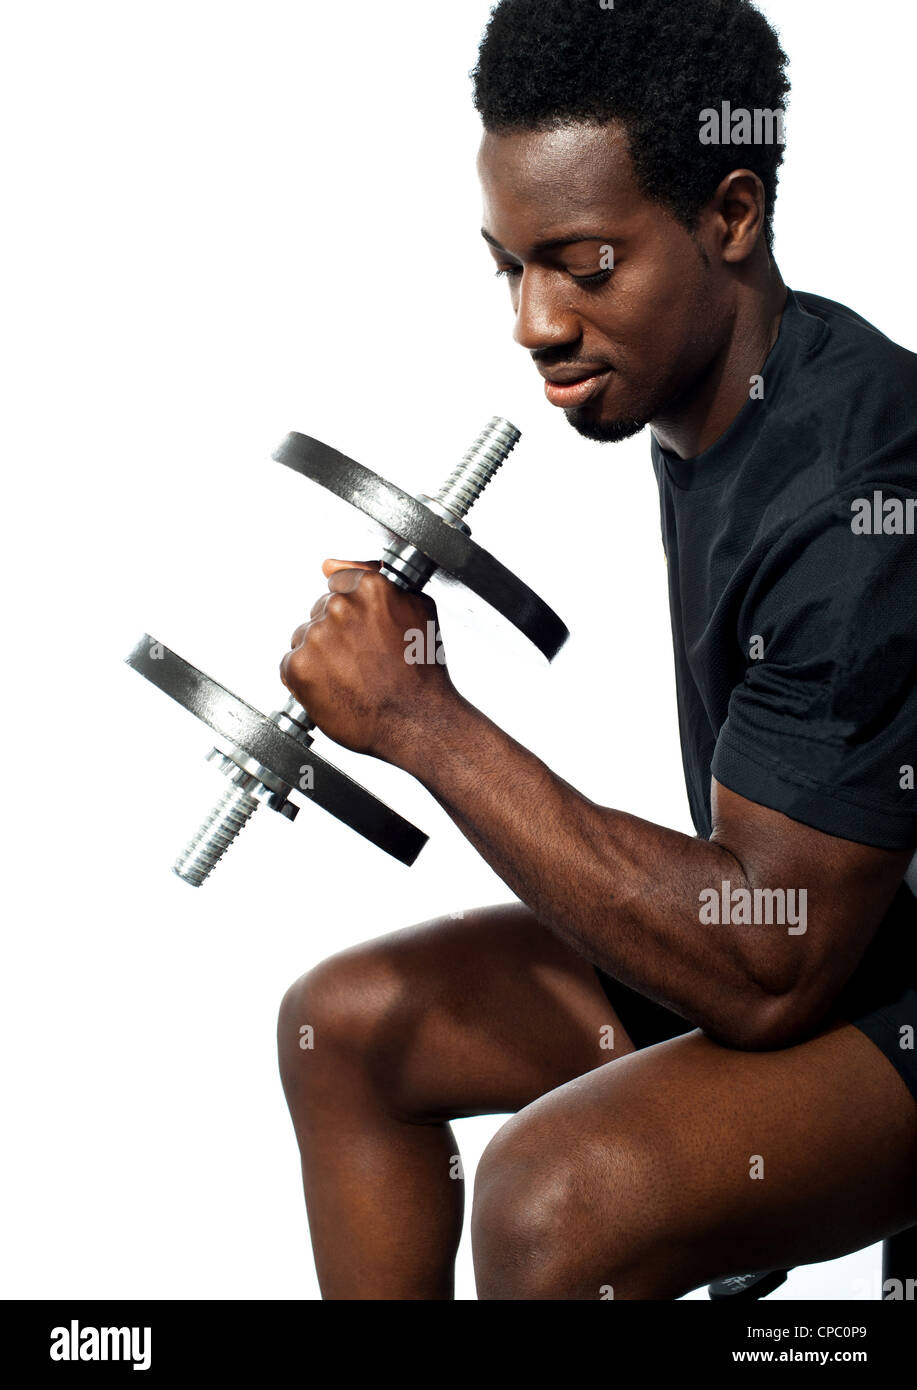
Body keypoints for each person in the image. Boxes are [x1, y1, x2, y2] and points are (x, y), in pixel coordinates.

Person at [276, 0, 917, 1300]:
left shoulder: (860, 478)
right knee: (341, 1030)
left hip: (857, 976)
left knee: (550, 1196)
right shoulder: (712, 392)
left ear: (728, 217)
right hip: (817, 930)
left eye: (581, 263)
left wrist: (419, 719)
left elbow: (769, 961)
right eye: (505, 266)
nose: (531, 320)